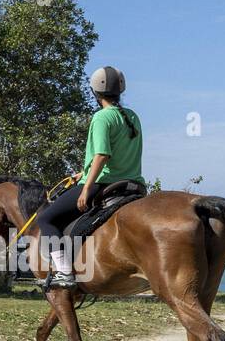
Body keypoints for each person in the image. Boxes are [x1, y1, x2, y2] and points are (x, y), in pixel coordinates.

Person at [35, 66, 144, 289]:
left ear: (96, 92)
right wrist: (83, 172)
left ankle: (64, 273)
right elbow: (117, 155)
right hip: (134, 185)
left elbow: (103, 155)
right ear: (120, 90)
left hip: (103, 184)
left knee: (46, 219)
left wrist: (86, 187)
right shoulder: (132, 116)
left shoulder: (102, 118)